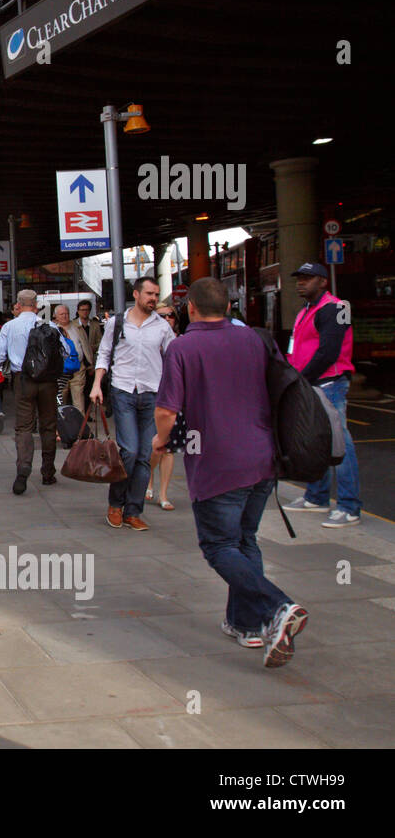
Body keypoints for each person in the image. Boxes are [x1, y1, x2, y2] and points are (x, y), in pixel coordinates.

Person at [154, 277, 308, 667]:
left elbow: (167, 411)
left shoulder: (183, 347)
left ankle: (278, 606)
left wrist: (160, 441)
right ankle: (247, 625)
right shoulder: (255, 340)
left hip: (217, 463)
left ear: (190, 309)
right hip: (262, 458)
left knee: (219, 547)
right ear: (228, 306)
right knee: (245, 540)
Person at [90, 277, 175, 531]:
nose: (153, 298)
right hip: (123, 390)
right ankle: (115, 505)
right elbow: (104, 353)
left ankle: (133, 511)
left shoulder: (162, 327)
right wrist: (97, 384)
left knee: (146, 455)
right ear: (136, 294)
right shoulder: (117, 322)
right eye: (149, 293)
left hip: (152, 393)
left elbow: (174, 359)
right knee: (129, 451)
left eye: (156, 294)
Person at [283, 262, 361, 528]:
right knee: (317, 440)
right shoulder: (306, 310)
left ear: (323, 282)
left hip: (330, 384)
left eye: (308, 278)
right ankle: (316, 497)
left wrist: (300, 379)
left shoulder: (336, 309)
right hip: (314, 384)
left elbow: (328, 352)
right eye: (299, 278)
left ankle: (349, 507)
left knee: (341, 445)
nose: (300, 282)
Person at [0, 290, 58, 493]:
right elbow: (63, 350)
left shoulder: (10, 327)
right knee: (48, 425)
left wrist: (5, 368)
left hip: (23, 379)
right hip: (47, 381)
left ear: (18, 304)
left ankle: (24, 466)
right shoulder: (49, 325)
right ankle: (48, 472)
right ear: (36, 304)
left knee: (24, 427)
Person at [146, 306, 184, 511]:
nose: (168, 319)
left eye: (171, 315)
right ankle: (149, 481)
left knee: (169, 448)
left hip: (175, 398)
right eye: (162, 316)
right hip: (152, 396)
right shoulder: (148, 340)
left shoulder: (181, 341)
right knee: (155, 446)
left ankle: (163, 494)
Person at [53, 304, 88, 411]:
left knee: (79, 400)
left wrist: (90, 363)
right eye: (62, 314)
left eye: (67, 313)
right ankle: (60, 427)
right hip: (60, 371)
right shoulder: (52, 329)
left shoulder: (77, 327)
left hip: (78, 369)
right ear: (55, 316)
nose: (65, 316)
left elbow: (86, 345)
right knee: (60, 401)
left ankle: (80, 427)